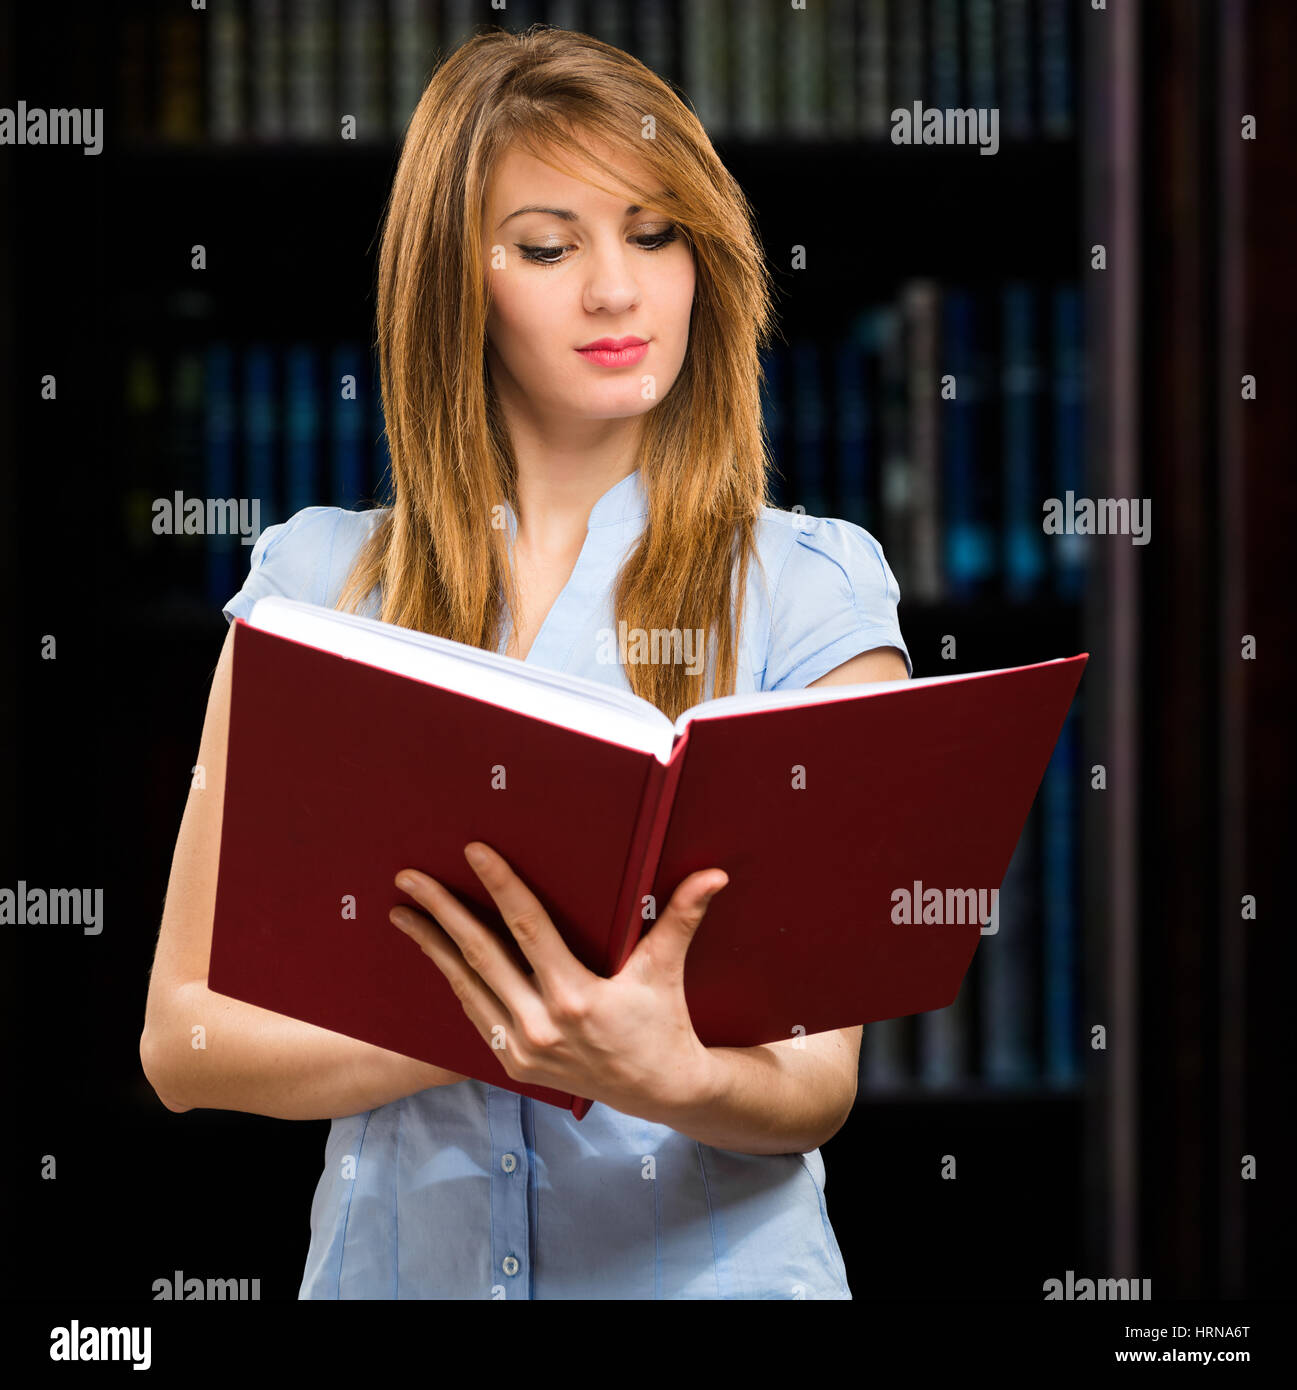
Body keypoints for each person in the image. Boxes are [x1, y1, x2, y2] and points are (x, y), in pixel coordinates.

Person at [140, 25, 911, 1300]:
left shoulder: (813, 592)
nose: (616, 288)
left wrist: (664, 1071)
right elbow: (186, 1038)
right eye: (549, 247)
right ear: (457, 285)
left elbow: (816, 1084)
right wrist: (503, 1027)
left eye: (656, 233)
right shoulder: (314, 590)